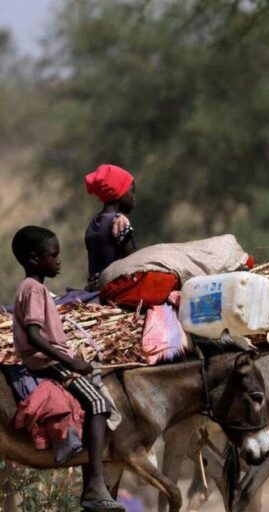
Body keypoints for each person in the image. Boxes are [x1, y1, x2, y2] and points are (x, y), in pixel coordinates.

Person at [11, 226, 122, 512]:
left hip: (52, 359)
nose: (58, 261)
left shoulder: (35, 288)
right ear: (35, 259)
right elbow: (35, 335)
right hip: (47, 362)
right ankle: (96, 482)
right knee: (98, 402)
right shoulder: (33, 289)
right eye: (54, 255)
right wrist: (70, 362)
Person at [84, 164, 137, 291]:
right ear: (120, 192)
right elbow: (133, 261)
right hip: (114, 287)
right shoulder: (119, 221)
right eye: (132, 192)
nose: (134, 199)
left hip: (94, 288)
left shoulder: (93, 223)